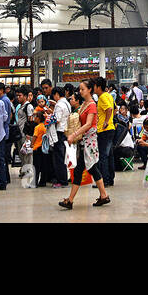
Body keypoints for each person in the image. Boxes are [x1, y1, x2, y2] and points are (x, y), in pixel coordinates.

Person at [60, 79, 109, 210]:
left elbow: (88, 124)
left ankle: (71, 200)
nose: (80, 91)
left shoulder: (92, 105)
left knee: (88, 168)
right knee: (85, 169)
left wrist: (73, 134)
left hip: (90, 142)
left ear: (89, 90)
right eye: (80, 89)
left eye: (82, 89)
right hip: (84, 142)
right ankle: (102, 196)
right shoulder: (84, 104)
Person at [94, 77, 117, 188]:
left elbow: (109, 109)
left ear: (98, 87)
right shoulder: (108, 95)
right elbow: (114, 108)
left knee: (103, 156)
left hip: (104, 130)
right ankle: (110, 179)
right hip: (110, 129)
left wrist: (106, 122)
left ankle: (104, 181)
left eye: (94, 86)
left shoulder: (102, 97)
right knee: (109, 155)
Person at [50, 85, 71, 188]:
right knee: (62, 156)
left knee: (59, 158)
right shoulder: (67, 103)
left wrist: (49, 117)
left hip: (59, 132)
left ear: (57, 95)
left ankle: (61, 180)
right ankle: (64, 179)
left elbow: (57, 119)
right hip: (65, 131)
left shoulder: (59, 105)